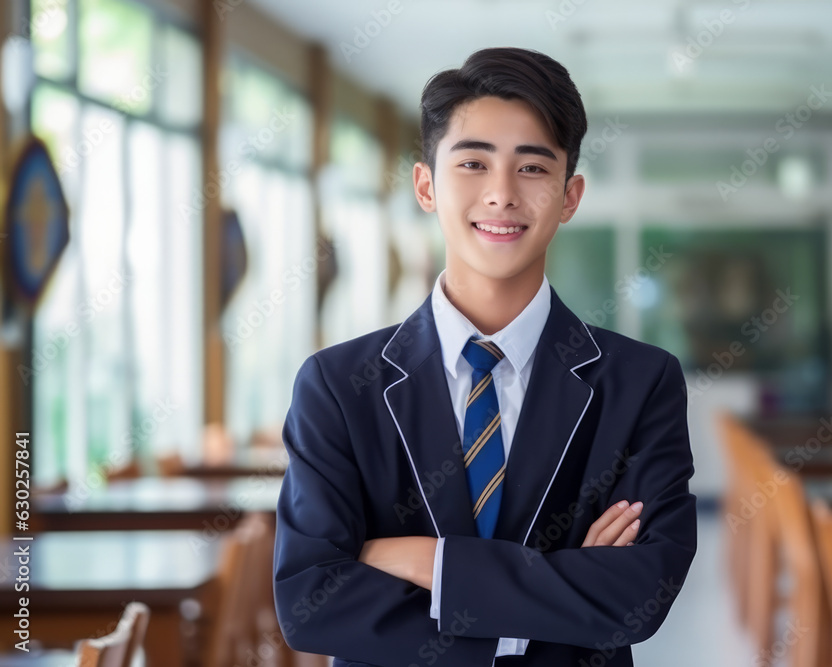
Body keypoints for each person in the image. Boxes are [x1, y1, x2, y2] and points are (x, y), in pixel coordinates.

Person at [273, 46, 697, 667]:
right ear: (425, 184)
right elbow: (310, 601)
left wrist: (426, 560)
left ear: (570, 195)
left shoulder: (639, 382)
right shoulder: (338, 386)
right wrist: (554, 596)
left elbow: (637, 598)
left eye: (532, 168)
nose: (500, 195)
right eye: (473, 163)